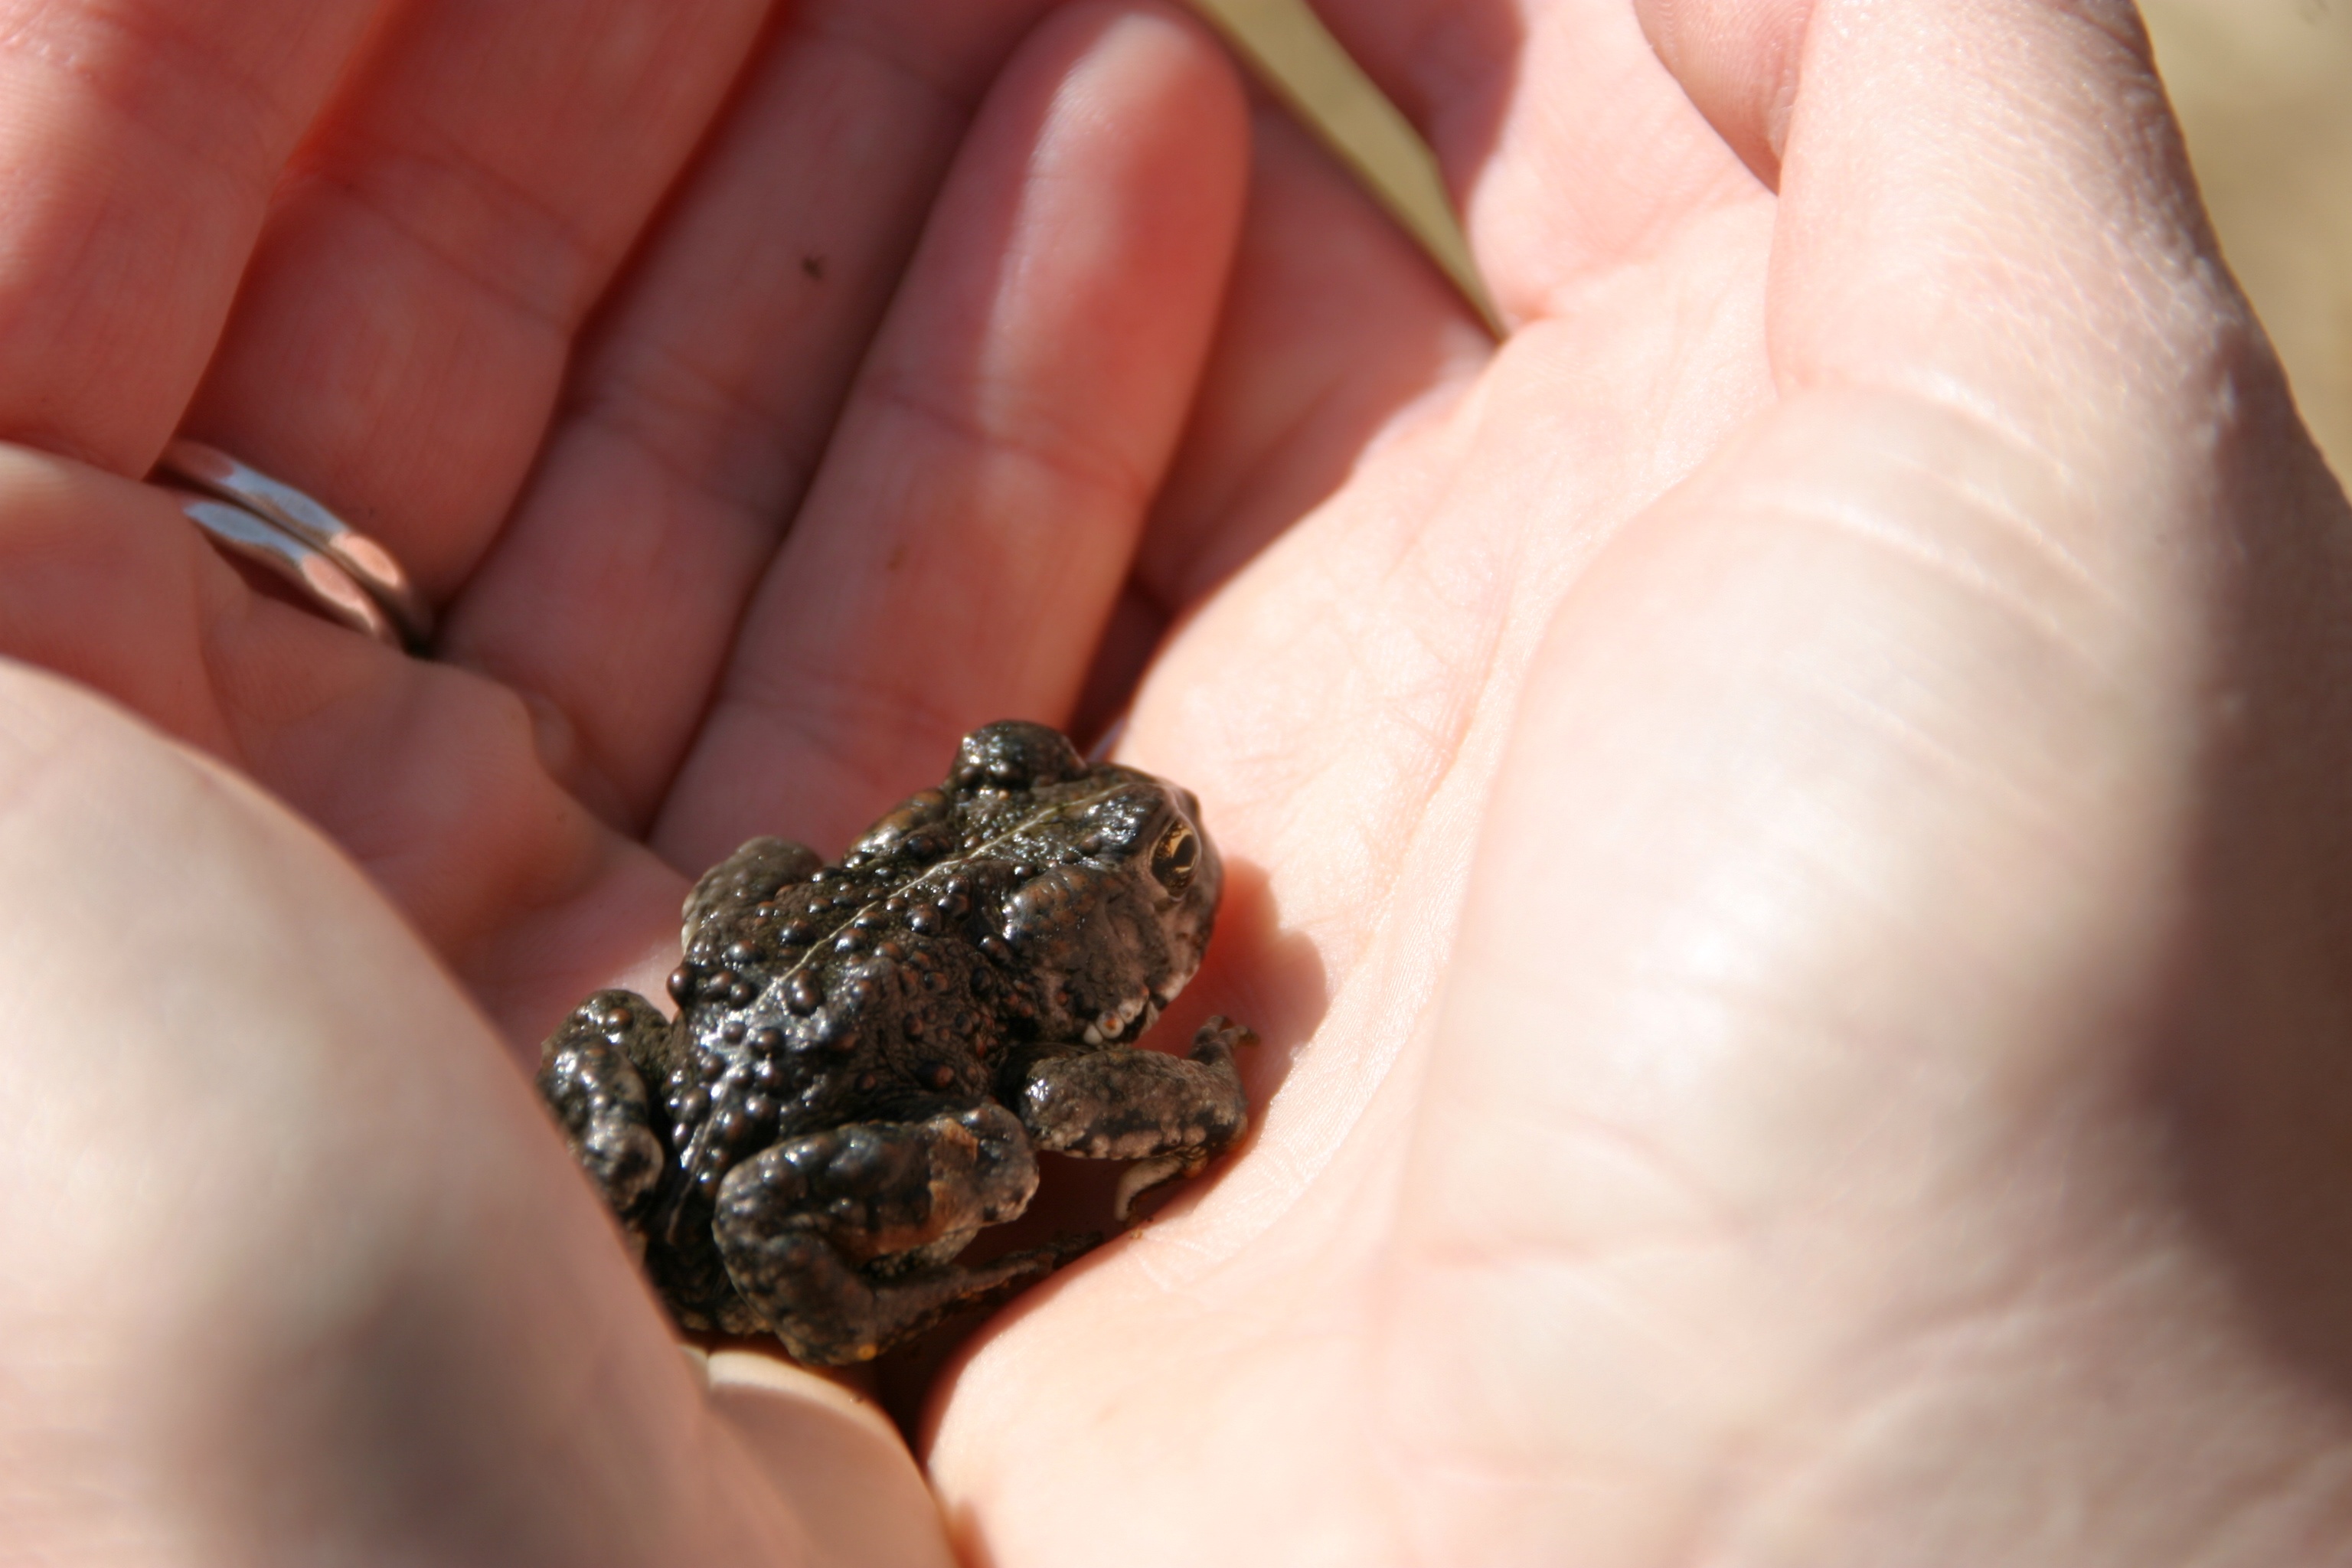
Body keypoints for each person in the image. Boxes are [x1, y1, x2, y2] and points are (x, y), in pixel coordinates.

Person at [5, 0, 2349, 1560]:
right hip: (762, 1149)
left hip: (706, 1083)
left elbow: (766, 953)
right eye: (1078, 839)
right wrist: (1199, 1106)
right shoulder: (1047, 1016)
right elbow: (1059, 1110)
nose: (1135, 839)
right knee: (936, 1128)